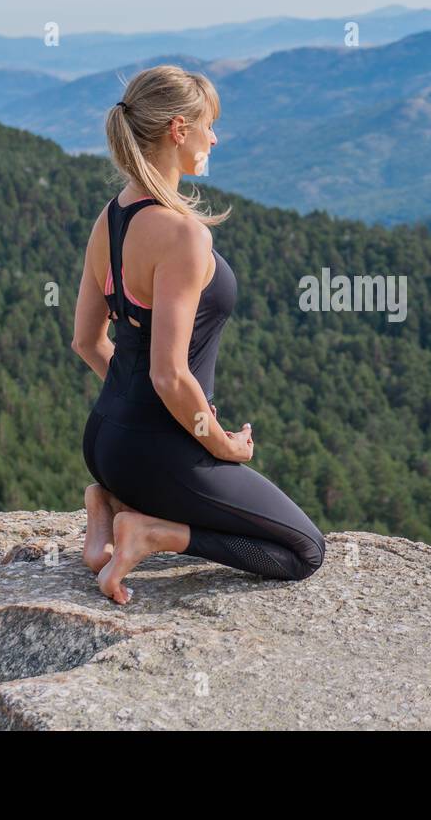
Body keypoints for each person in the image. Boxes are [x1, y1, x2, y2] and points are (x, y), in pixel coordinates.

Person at [71, 64, 325, 604]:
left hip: (105, 439)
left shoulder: (111, 217)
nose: (216, 137)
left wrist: (133, 410)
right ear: (178, 129)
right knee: (303, 552)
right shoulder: (182, 235)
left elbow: (87, 342)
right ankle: (149, 532)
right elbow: (169, 374)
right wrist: (221, 442)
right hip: (157, 451)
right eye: (210, 124)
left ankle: (108, 503)